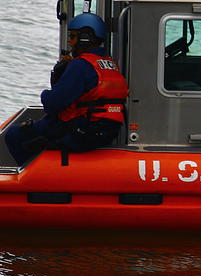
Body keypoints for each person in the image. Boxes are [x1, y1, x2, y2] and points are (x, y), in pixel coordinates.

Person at [4, 12, 128, 165]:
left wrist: (51, 85)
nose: (69, 42)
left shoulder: (81, 65)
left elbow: (52, 105)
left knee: (15, 135)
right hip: (105, 131)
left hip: (82, 131)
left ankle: (34, 178)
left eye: (73, 37)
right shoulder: (110, 65)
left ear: (85, 38)